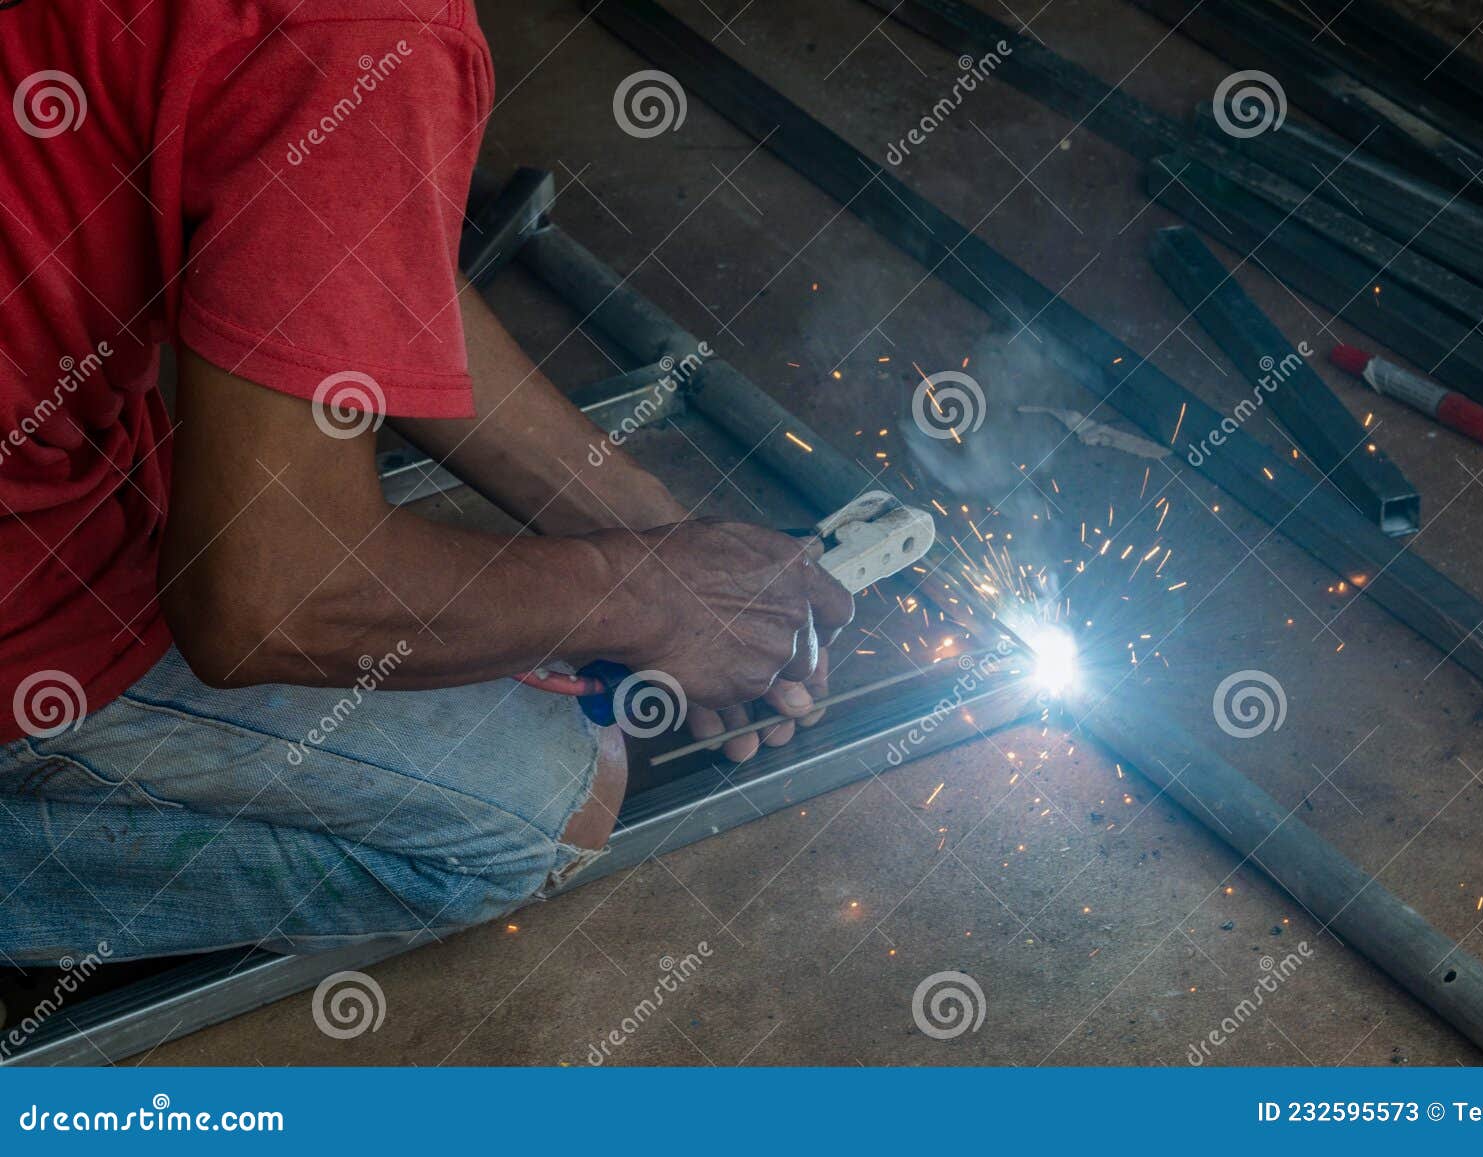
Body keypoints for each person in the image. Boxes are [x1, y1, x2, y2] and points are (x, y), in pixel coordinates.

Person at [0, 0, 852, 965]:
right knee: (552, 800)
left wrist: (657, 539)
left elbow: (341, 239)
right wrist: (641, 596)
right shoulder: (371, 29)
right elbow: (268, 598)